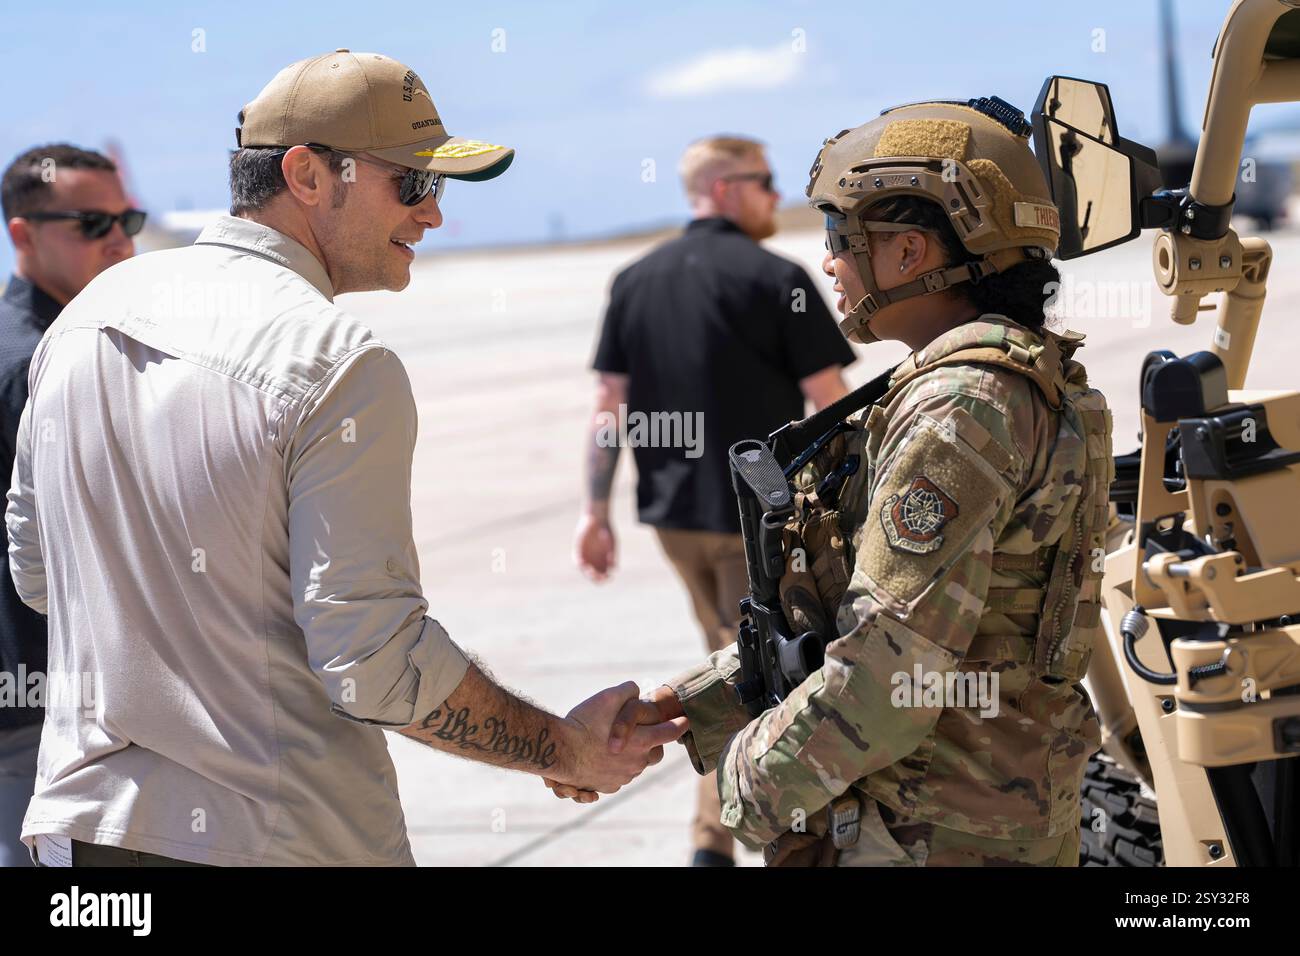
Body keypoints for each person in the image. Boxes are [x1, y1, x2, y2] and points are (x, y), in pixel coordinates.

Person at [5, 50, 682, 868]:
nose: (432, 215)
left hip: (82, 840)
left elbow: (35, 576)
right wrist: (566, 750)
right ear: (308, 174)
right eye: (414, 183)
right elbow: (373, 663)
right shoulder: (338, 361)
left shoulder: (85, 317)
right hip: (276, 841)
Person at [554, 97, 1114, 866]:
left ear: (911, 253)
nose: (827, 261)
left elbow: (886, 673)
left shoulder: (960, 408)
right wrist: (675, 711)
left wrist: (745, 789)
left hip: (929, 832)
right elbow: (874, 628)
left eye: (839, 235)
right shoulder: (1004, 383)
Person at [574, 135, 854, 866]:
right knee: (761, 677)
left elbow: (609, 406)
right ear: (727, 188)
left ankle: (714, 843)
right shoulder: (776, 278)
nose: (777, 196)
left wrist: (594, 512)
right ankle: (715, 845)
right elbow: (828, 402)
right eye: (766, 182)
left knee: (731, 659)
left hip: (673, 522)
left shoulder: (634, 279)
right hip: (753, 526)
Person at [0, 144, 140, 867]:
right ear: (23, 234)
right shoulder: (43, 361)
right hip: (44, 706)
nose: (120, 239)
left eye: (127, 218)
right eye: (91, 223)